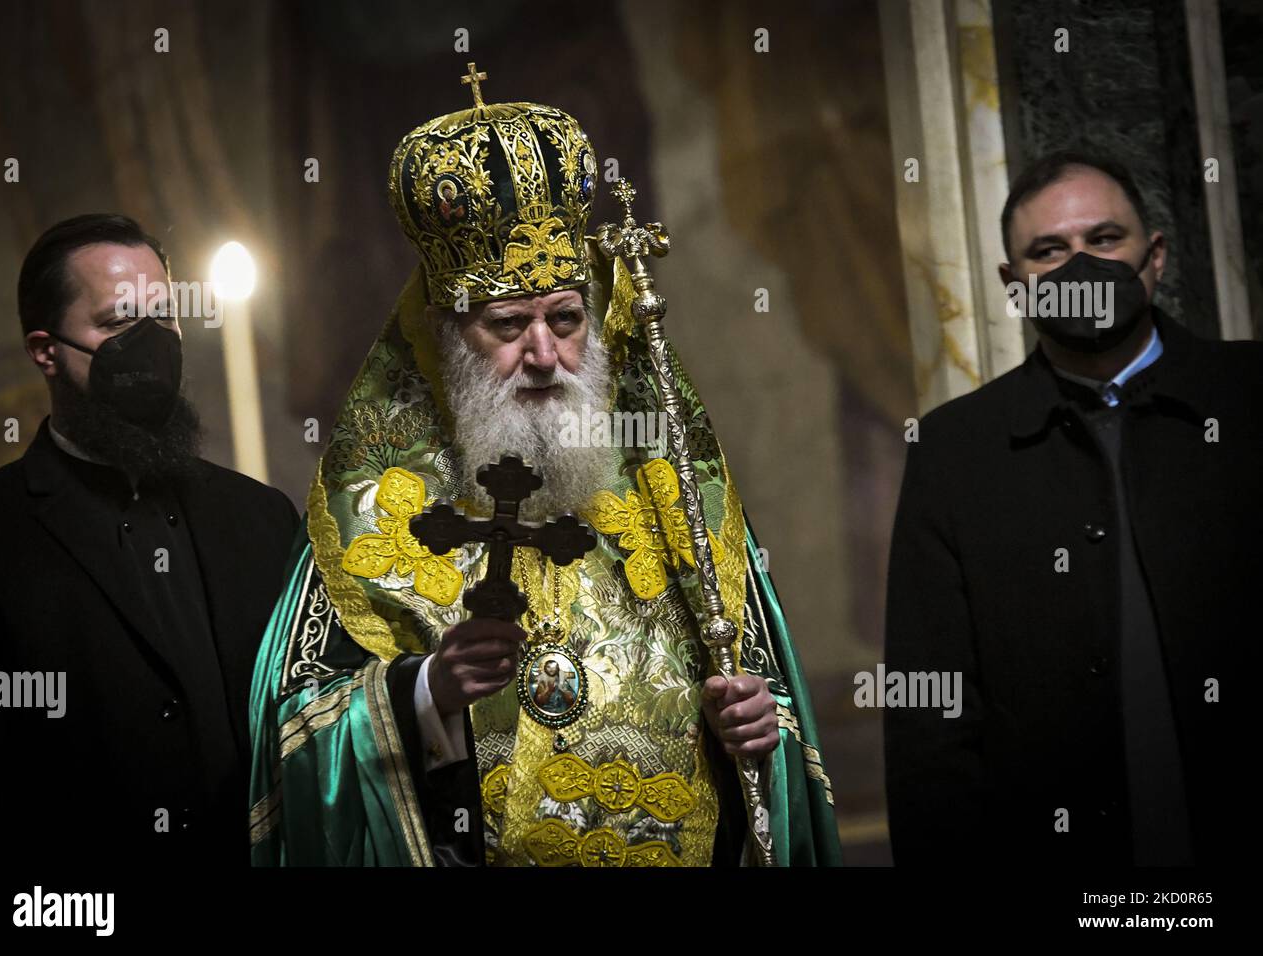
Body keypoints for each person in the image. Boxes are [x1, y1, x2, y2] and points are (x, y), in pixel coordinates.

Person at [249, 68, 840, 867]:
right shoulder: (367, 501)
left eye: (565, 320)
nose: (543, 355)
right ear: (444, 331)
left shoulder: (664, 480)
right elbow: (293, 737)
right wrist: (427, 693)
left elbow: (761, 688)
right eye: (507, 324)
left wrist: (753, 723)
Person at [884, 150, 1261, 866]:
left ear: (1155, 257)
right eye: (1049, 251)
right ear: (1014, 286)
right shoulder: (954, 451)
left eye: (1104, 240)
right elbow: (930, 714)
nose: (1080, 268)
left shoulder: (1250, 399)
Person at [0, 214, 300, 863]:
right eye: (118, 323)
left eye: (163, 316)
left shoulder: (259, 516)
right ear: (46, 350)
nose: (149, 344)